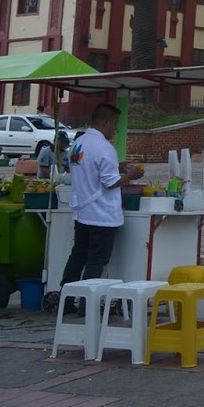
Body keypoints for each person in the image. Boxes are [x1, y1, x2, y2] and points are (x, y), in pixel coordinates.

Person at [61, 105, 146, 296]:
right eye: (115, 124)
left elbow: (90, 169)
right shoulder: (104, 147)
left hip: (82, 210)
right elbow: (110, 182)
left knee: (78, 256)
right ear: (106, 122)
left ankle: (66, 299)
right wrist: (130, 175)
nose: (115, 129)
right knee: (96, 260)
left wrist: (117, 166)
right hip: (101, 214)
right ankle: (87, 303)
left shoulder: (78, 143)